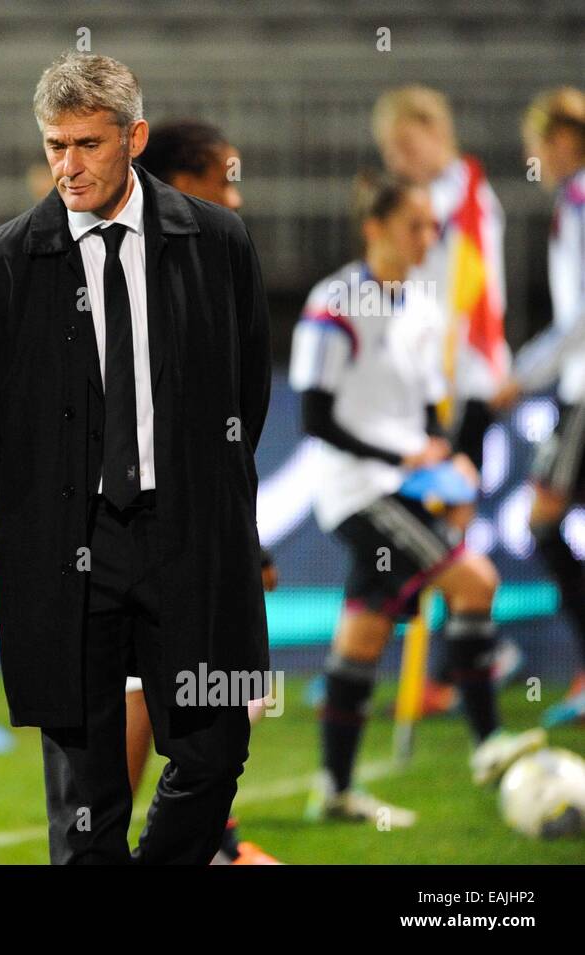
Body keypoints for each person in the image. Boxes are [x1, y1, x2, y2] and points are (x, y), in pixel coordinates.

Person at [0, 53, 271, 865]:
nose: (68, 166)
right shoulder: (1, 263)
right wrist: (46, 509)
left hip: (188, 541)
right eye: (55, 145)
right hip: (68, 550)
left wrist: (206, 503)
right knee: (86, 800)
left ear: (133, 137)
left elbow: (247, 395)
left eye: (88, 145)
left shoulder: (218, 242)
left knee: (213, 752)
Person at [293, 171, 546, 826]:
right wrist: (399, 456)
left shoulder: (424, 307)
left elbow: (427, 413)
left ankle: (335, 788)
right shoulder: (337, 300)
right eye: (415, 224)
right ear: (374, 227)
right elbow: (316, 416)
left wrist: (450, 463)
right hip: (360, 490)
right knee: (475, 581)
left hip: (405, 486)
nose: (429, 237)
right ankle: (489, 743)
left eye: (433, 225)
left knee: (364, 633)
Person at [132, 117, 280, 866]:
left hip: (205, 522)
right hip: (129, 532)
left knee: (217, 722)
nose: (235, 194)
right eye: (225, 177)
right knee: (141, 699)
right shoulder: (125, 269)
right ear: (184, 181)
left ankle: (209, 841)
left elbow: (241, 405)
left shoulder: (221, 256)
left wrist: (241, 531)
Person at [372, 85, 520, 717]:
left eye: (408, 145)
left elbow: (480, 292)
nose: (400, 159)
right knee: (421, 524)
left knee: (446, 524)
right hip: (424, 384)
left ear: (437, 134)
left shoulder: (466, 198)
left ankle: (463, 663)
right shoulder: (424, 200)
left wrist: (490, 367)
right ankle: (437, 661)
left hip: (463, 386)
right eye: (392, 151)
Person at [490, 86, 585, 725]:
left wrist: (521, 374)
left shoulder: (578, 200)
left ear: (557, 140)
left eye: (536, 145)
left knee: (544, 519)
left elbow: (581, 315)